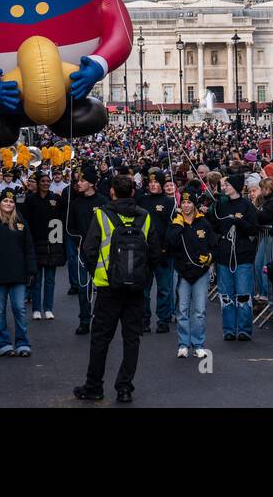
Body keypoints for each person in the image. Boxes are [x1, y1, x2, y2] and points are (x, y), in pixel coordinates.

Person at [73, 172, 158, 404]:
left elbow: (89, 250)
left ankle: (94, 386)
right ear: (132, 192)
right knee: (132, 339)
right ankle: (124, 387)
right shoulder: (145, 216)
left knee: (101, 338)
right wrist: (144, 274)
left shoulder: (101, 215)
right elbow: (154, 250)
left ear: (112, 191)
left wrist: (98, 273)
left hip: (108, 286)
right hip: (136, 287)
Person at [0, 188, 36, 357]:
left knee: (19, 308)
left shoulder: (21, 221)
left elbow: (29, 247)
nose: (8, 204)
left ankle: (22, 342)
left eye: (11, 201)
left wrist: (31, 269)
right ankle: (4, 343)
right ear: (0, 203)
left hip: (18, 272)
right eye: (5, 201)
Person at [210, 170, 260, 341]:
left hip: (243, 255)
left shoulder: (247, 206)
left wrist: (239, 222)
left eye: (228, 185)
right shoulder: (222, 205)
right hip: (224, 256)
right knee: (226, 295)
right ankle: (229, 329)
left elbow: (254, 228)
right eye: (224, 185)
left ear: (236, 187)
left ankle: (245, 329)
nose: (225, 187)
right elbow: (214, 225)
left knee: (243, 294)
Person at [168, 181, 215, 358]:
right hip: (182, 272)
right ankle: (183, 343)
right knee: (182, 310)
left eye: (189, 203)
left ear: (194, 204)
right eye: (184, 203)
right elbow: (170, 242)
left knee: (199, 311)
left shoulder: (204, 222)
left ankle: (198, 343)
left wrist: (211, 257)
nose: (186, 206)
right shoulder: (176, 222)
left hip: (201, 272)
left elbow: (214, 244)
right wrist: (178, 226)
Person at [62, 165, 107, 335]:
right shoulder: (75, 203)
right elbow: (69, 227)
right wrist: (78, 241)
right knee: (83, 287)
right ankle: (84, 320)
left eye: (82, 180)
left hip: (102, 252)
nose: (78, 183)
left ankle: (101, 320)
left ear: (92, 183)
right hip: (82, 252)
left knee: (103, 288)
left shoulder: (103, 202)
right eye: (77, 180)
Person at [136, 169, 176, 333]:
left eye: (156, 182)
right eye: (150, 182)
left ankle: (163, 319)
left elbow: (171, 227)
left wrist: (166, 248)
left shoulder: (168, 202)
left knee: (164, 288)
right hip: (144, 251)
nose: (153, 185)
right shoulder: (141, 200)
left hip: (163, 251)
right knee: (144, 289)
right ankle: (144, 319)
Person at [21, 171, 64, 321]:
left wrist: (59, 242)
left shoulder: (56, 199)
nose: (46, 183)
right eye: (43, 181)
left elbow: (60, 220)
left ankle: (48, 308)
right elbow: (25, 221)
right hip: (35, 242)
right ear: (38, 183)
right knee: (37, 279)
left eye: (48, 181)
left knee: (50, 279)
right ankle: (37, 309)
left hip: (52, 243)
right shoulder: (30, 200)